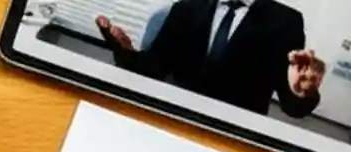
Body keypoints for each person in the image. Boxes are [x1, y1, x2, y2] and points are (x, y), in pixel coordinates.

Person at [95, 0, 326, 118]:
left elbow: (293, 106)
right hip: (173, 119)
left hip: (236, 139)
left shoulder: (286, 23)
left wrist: (303, 90)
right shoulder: (187, 7)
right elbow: (154, 68)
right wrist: (123, 51)